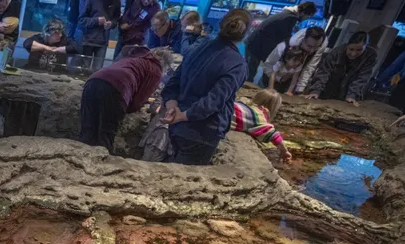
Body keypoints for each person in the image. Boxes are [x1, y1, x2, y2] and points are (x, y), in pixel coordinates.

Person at [162, 9, 250, 165]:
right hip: (202, 132)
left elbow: (173, 84)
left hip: (177, 127)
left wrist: (172, 108)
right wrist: (184, 115)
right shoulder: (237, 63)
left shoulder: (197, 48)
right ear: (246, 33)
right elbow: (214, 101)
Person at [80, 46, 173, 153]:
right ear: (166, 64)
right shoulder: (155, 69)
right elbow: (139, 100)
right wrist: (128, 107)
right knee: (106, 132)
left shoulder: (134, 58)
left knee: (88, 127)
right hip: (117, 88)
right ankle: (101, 164)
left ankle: (80, 161)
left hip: (93, 81)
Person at [244, 2, 318, 82]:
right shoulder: (290, 18)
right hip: (256, 46)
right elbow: (286, 38)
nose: (307, 18)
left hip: (255, 44)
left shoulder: (287, 14)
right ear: (303, 13)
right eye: (308, 16)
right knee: (249, 73)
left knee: (250, 71)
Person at [304, 32, 378, 107]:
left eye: (359, 50)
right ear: (347, 45)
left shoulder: (370, 55)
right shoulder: (336, 52)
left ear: (366, 46)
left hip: (348, 91)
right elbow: (324, 72)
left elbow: (362, 77)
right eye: (351, 49)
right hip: (329, 88)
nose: (353, 54)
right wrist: (316, 90)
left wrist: (352, 95)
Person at [231, 88, 293, 162]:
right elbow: (274, 135)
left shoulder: (246, 106)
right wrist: (284, 151)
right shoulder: (259, 118)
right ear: (273, 108)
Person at [261, 25, 326, 95]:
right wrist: (272, 85)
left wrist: (299, 90)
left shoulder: (315, 51)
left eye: (316, 47)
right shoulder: (283, 47)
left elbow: (308, 69)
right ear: (303, 40)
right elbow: (268, 65)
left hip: (285, 85)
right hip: (268, 80)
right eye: (309, 46)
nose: (312, 51)